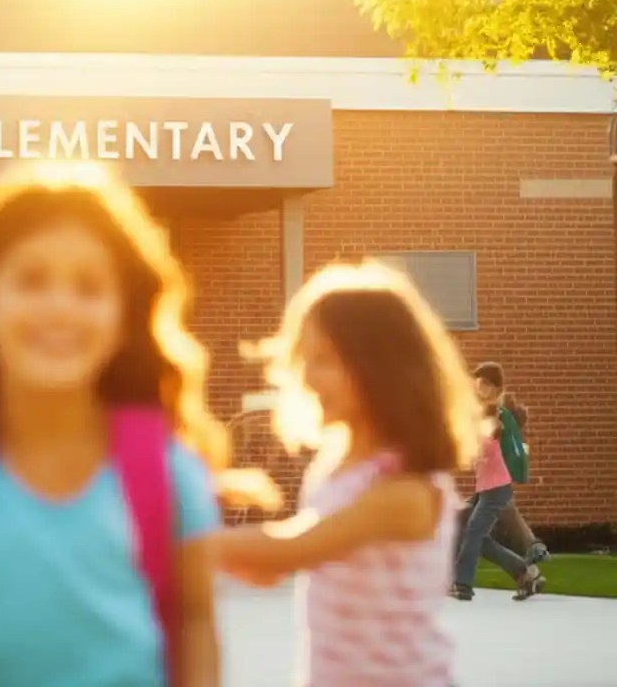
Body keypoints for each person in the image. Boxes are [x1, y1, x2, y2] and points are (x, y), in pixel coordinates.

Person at [0, 162, 274, 687]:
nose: (60, 307)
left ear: (123, 319)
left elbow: (195, 623)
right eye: (32, 281)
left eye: (89, 287)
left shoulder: (168, 473)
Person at [219, 261, 483, 687]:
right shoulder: (336, 462)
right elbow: (269, 567)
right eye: (303, 358)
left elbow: (291, 550)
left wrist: (176, 533)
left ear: (380, 367)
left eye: (323, 358)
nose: (306, 374)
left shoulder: (404, 489)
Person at [472, 362, 550, 566]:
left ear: (495, 386)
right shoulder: (490, 409)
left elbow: (496, 439)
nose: (478, 388)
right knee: (489, 516)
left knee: (485, 520)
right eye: (478, 384)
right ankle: (530, 555)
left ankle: (530, 553)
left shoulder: (496, 411)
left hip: (496, 474)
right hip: (489, 476)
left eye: (483, 384)